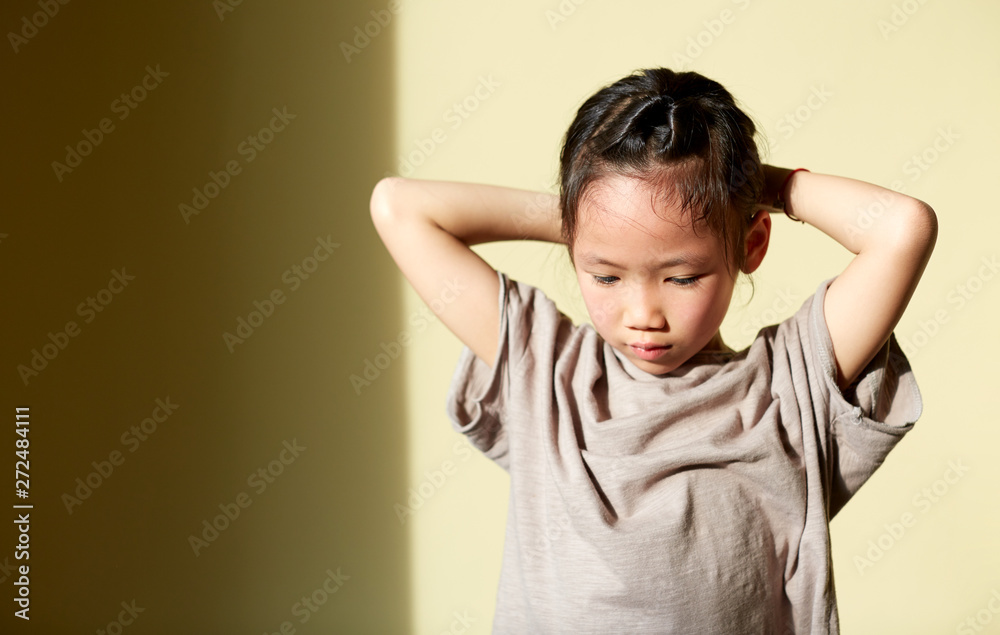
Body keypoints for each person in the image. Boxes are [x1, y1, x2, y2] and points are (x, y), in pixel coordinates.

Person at [369, 67, 937, 634]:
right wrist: (599, 208)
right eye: (606, 274)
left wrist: (736, 188)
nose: (643, 315)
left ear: (752, 243)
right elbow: (399, 206)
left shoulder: (791, 386)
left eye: (683, 277)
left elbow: (901, 227)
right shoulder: (545, 371)